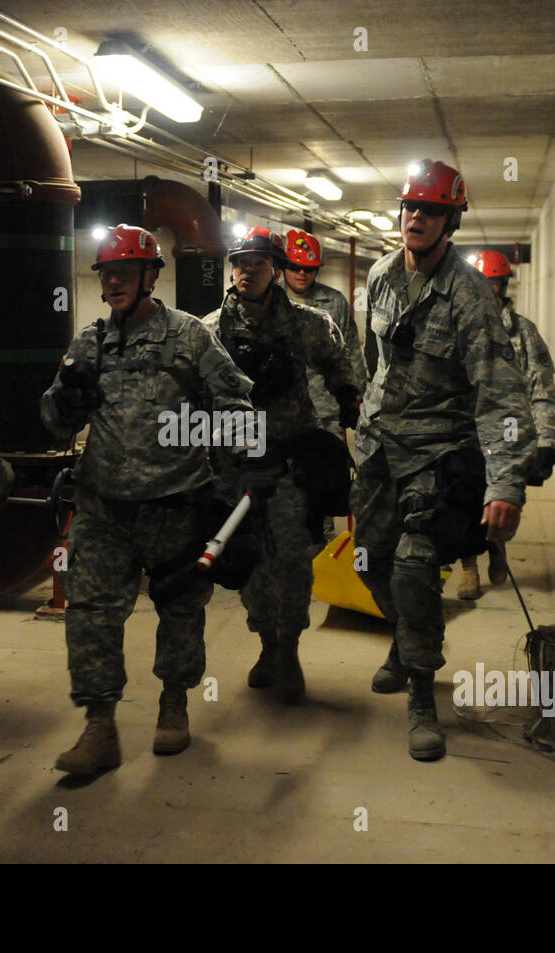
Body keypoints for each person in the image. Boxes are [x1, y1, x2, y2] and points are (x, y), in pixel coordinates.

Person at [42, 224, 255, 776]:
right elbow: (52, 420)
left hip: (174, 501)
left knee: (180, 609)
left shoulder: (187, 336)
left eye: (123, 272)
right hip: (103, 504)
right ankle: (98, 726)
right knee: (89, 612)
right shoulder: (89, 340)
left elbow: (235, 401)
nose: (112, 281)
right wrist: (67, 399)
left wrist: (229, 470)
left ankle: (174, 704)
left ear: (149, 276)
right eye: (106, 273)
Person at [353, 161, 535, 760]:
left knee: (413, 563)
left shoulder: (469, 296)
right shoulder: (380, 276)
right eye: (409, 207)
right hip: (381, 447)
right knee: (367, 563)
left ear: (449, 220)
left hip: (438, 449)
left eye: (429, 210)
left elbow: (500, 393)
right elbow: (374, 361)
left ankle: (422, 695)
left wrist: (504, 482)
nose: (416, 217)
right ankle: (405, 642)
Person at [202, 226, 361, 704]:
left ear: (275, 269)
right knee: (250, 564)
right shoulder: (210, 330)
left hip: (290, 466)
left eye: (257, 263)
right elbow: (193, 393)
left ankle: (289, 648)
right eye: (239, 262)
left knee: (292, 561)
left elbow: (339, 364)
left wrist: (348, 399)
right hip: (236, 469)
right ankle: (266, 642)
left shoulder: (308, 324)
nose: (246, 270)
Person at [455, 250, 555, 600]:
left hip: (509, 430)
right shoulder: (457, 328)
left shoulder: (524, 333)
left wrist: (546, 439)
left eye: (493, 283)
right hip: (466, 431)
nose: (487, 290)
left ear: (502, 286)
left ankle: (497, 546)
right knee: (464, 499)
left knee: (502, 496)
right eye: (480, 284)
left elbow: (541, 386)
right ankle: (468, 566)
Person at [283, 230, 369, 439]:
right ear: (283, 266)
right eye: (296, 267)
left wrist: (356, 399)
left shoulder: (334, 302)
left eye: (309, 269)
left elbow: (351, 352)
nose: (302, 274)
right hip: (282, 413)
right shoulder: (271, 302)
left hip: (326, 411)